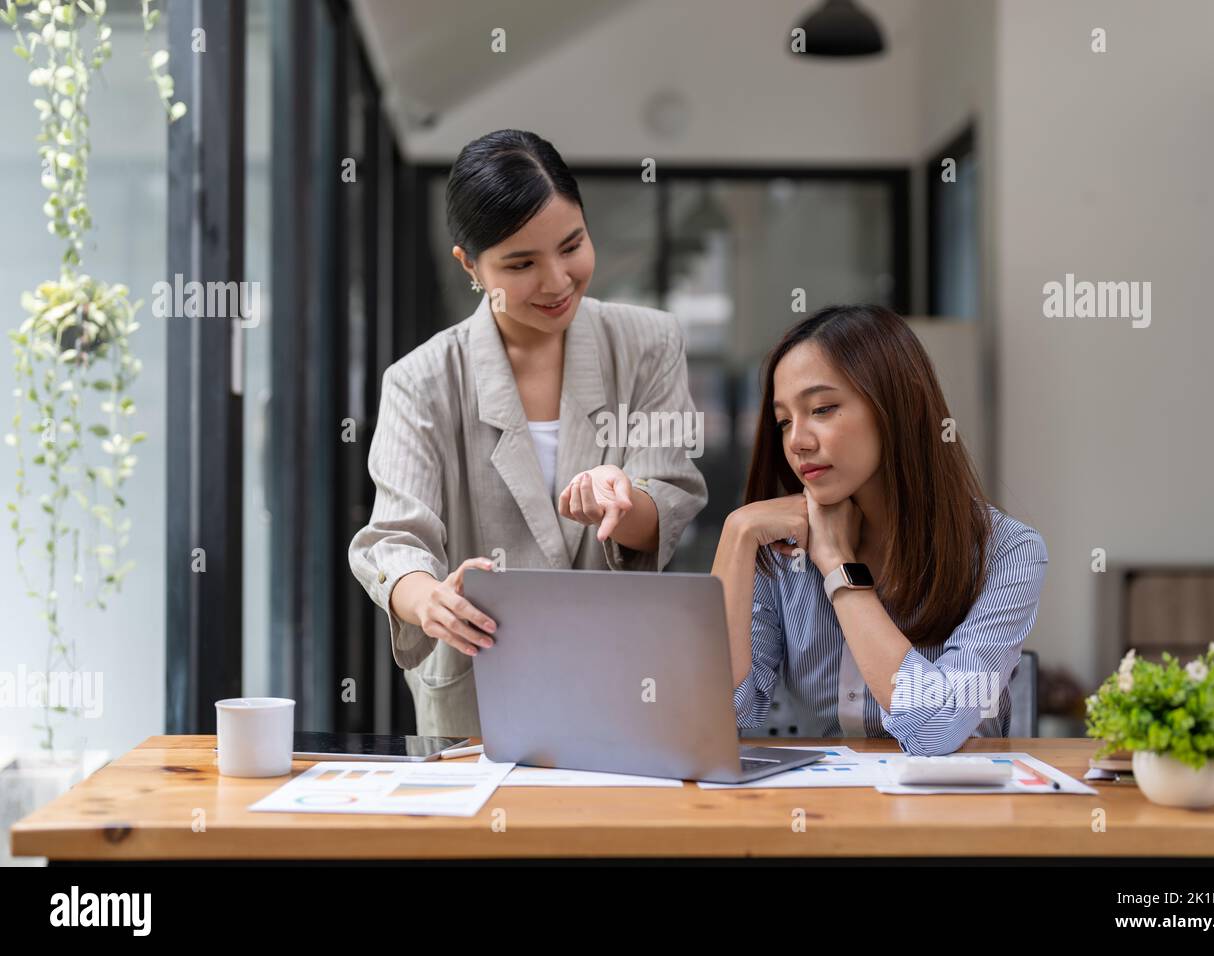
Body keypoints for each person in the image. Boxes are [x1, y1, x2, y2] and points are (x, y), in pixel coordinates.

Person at [350, 129, 707, 738]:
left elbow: (667, 499)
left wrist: (624, 494)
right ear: (469, 264)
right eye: (521, 264)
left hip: (618, 683)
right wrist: (428, 596)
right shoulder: (422, 381)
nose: (557, 281)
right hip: (478, 697)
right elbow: (394, 539)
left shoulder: (649, 344)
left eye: (572, 246)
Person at [712, 304, 1047, 755]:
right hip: (823, 810)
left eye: (823, 409)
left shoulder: (1007, 551)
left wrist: (839, 568)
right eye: (784, 420)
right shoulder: (780, 549)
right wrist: (736, 533)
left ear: (896, 406)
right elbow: (720, 715)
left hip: (958, 812)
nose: (797, 441)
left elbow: (936, 726)